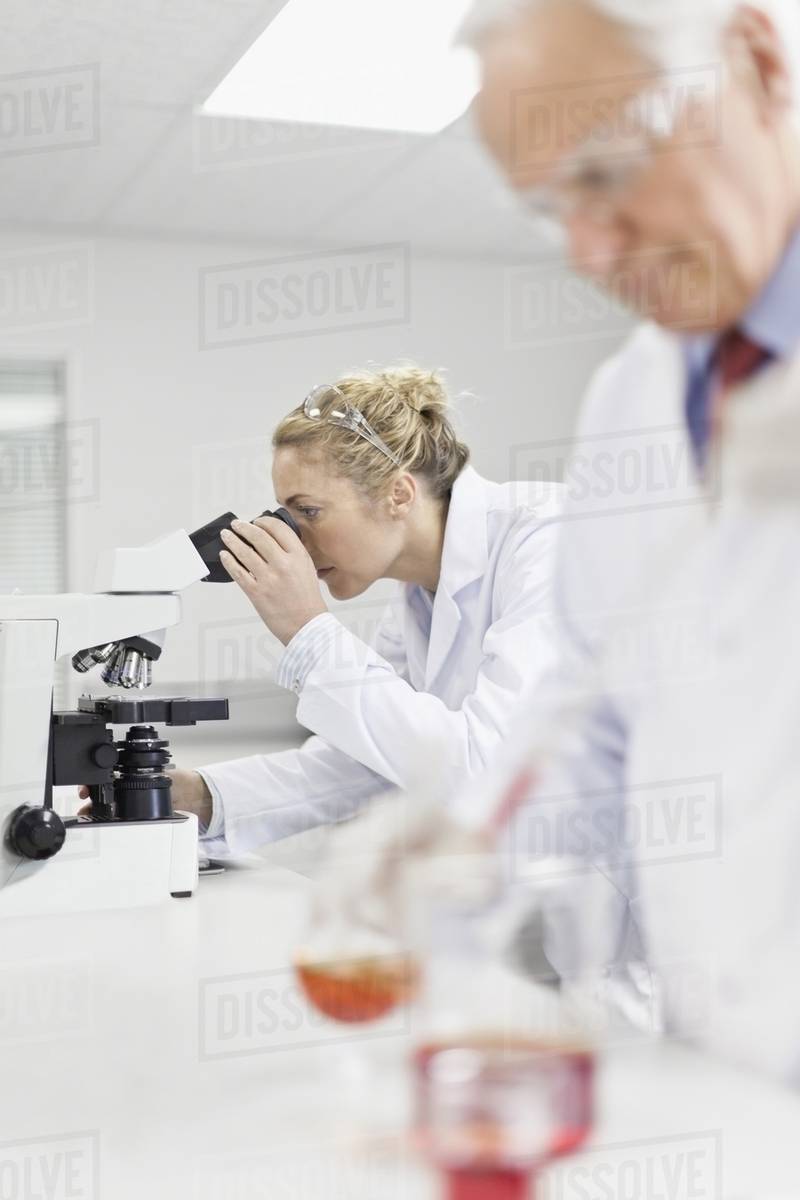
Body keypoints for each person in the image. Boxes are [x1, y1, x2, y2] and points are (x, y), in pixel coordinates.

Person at [456, 0, 800, 1083]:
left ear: (750, 60)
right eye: (546, 209)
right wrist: (460, 850)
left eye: (605, 172)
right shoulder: (632, 396)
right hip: (724, 1075)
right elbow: (595, 707)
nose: (586, 251)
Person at [132, 366, 563, 855]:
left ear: (398, 494)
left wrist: (307, 630)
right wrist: (205, 797)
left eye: (309, 512)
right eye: (288, 516)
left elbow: (487, 768)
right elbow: (372, 762)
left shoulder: (549, 544)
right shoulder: (417, 598)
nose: (294, 538)